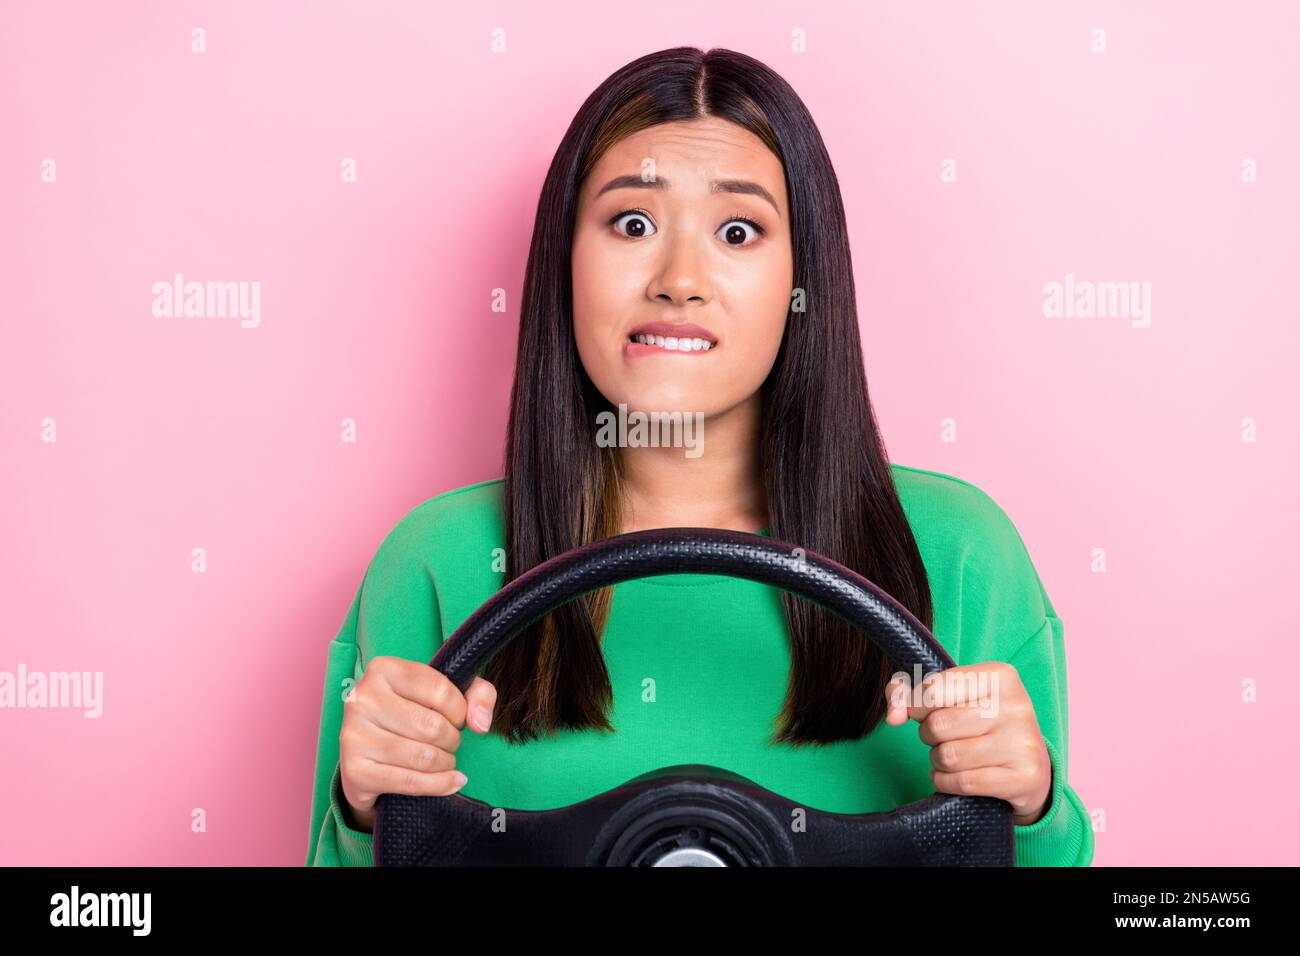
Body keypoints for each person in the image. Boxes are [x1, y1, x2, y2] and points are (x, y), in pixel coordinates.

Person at [306, 46, 1095, 867]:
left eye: (738, 230)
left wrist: (1032, 812)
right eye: (633, 224)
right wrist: (364, 818)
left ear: (804, 277)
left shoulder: (962, 558)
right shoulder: (437, 565)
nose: (680, 279)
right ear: (563, 262)